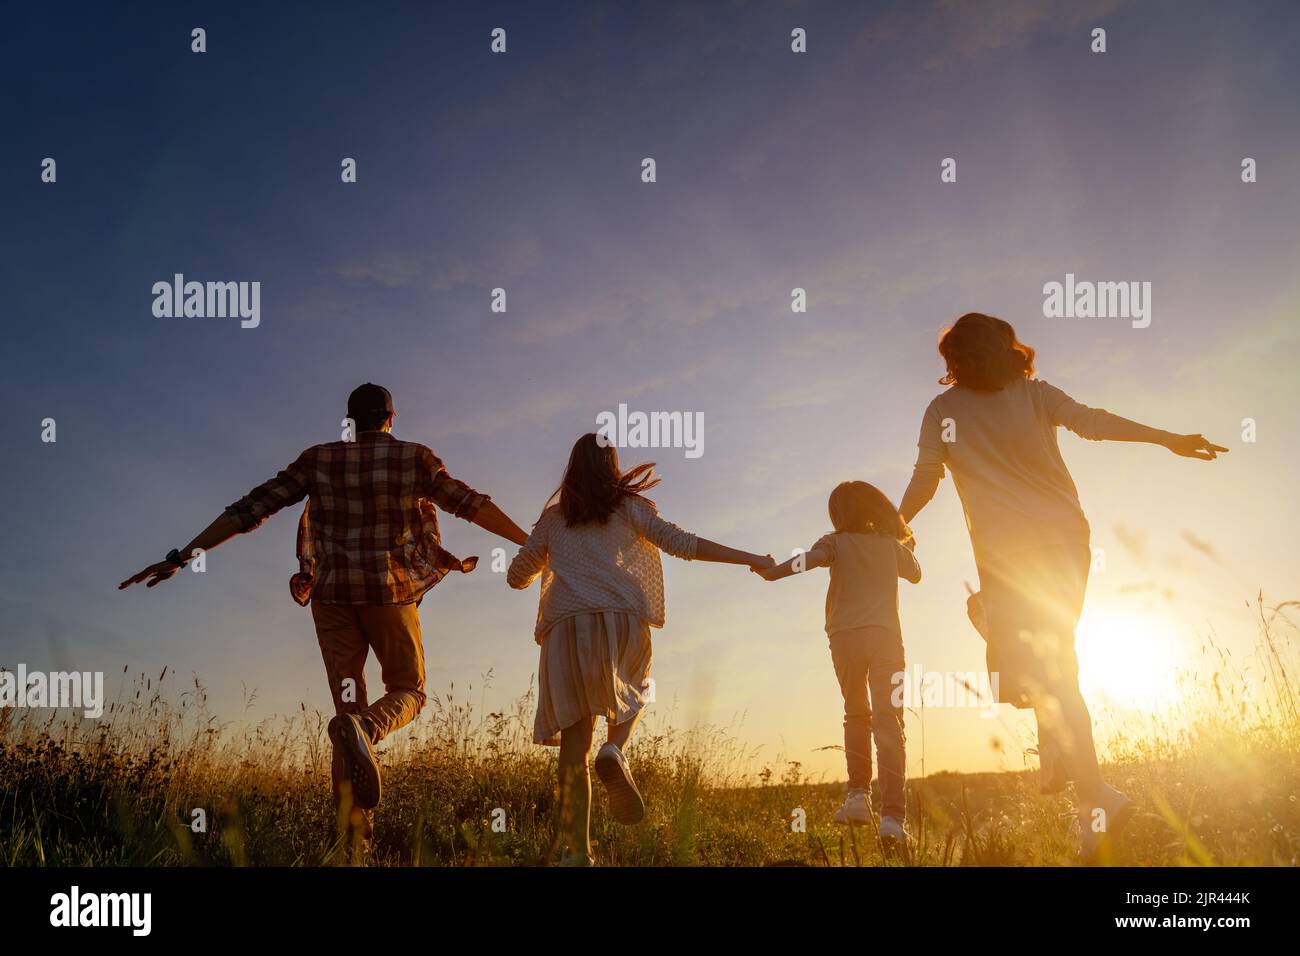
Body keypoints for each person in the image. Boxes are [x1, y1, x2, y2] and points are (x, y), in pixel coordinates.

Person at [118, 383, 528, 861]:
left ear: (350, 421)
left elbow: (252, 508)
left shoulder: (318, 459)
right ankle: (371, 732)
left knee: (345, 709)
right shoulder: (414, 458)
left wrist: (182, 556)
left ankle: (351, 843)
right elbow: (470, 503)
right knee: (408, 690)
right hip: (389, 595)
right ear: (392, 416)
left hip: (333, 599)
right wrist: (529, 541)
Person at [897, 313, 1226, 863]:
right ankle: (1083, 794)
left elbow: (927, 476)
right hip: (1066, 543)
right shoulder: (1032, 394)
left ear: (961, 357)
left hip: (1010, 556)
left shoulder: (946, 410)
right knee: (1045, 666)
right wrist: (1167, 438)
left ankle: (1092, 792)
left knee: (1040, 668)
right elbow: (1093, 422)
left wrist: (895, 526)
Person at [507, 432, 774, 866]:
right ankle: (617, 748)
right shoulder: (632, 509)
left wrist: (541, 550)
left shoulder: (554, 520)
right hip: (621, 619)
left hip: (565, 629)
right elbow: (683, 544)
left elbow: (516, 577)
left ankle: (577, 852)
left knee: (575, 744)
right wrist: (748, 557)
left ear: (570, 469)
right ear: (613, 466)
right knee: (639, 688)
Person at [753, 481, 920, 846]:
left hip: (845, 639)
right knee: (889, 722)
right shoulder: (890, 546)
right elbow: (917, 573)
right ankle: (893, 819)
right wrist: (904, 544)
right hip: (886, 639)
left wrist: (772, 572)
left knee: (856, 715)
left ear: (839, 514)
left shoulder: (833, 542)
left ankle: (858, 797)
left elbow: (805, 562)